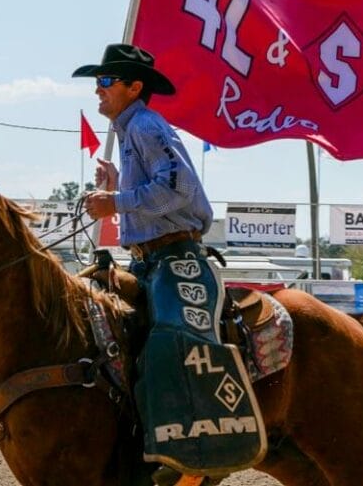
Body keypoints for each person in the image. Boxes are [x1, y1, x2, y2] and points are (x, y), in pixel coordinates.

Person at [75, 44, 262, 484]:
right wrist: (119, 185)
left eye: (105, 82)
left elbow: (178, 190)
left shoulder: (145, 125)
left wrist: (116, 200)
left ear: (133, 87)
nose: (97, 91)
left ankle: (189, 457)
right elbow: (159, 191)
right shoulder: (132, 130)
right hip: (148, 259)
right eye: (97, 83)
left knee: (170, 343)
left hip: (175, 256)